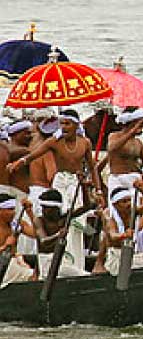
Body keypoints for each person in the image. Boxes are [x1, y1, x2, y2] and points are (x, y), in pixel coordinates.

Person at [10, 109, 102, 272]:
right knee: (60, 219)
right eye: (62, 124)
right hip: (60, 184)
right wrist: (20, 162)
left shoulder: (85, 143)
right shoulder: (55, 141)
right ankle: (58, 261)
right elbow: (35, 154)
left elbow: (92, 166)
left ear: (76, 125)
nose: (64, 127)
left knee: (76, 223)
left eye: (67, 123)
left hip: (76, 183)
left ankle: (75, 263)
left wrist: (98, 189)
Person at [33, 188, 91, 278]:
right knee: (82, 275)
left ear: (56, 208)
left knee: (80, 274)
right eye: (43, 207)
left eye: (47, 208)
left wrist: (84, 187)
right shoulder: (39, 221)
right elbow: (43, 241)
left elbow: (87, 207)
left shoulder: (64, 218)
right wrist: (58, 235)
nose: (43, 211)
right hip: (47, 263)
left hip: (61, 260)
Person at [1, 193, 36, 287]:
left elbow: (36, 234)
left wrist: (30, 212)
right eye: (9, 209)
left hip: (14, 260)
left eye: (13, 209)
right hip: (3, 264)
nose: (13, 212)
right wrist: (5, 246)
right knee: (33, 276)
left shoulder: (16, 223)